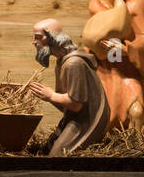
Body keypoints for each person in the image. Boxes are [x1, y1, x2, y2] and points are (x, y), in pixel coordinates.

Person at [82, 0, 144, 131]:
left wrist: (127, 49)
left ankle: (140, 152)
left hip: (127, 69)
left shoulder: (135, 5)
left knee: (137, 112)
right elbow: (91, 33)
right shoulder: (95, 5)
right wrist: (88, 50)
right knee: (103, 116)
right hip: (105, 70)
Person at [29, 19, 109, 155]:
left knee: (58, 155)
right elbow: (67, 107)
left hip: (87, 122)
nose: (33, 41)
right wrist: (50, 97)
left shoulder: (73, 64)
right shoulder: (61, 63)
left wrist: (51, 96)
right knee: (45, 152)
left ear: (53, 38)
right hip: (74, 118)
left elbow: (76, 104)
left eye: (38, 37)